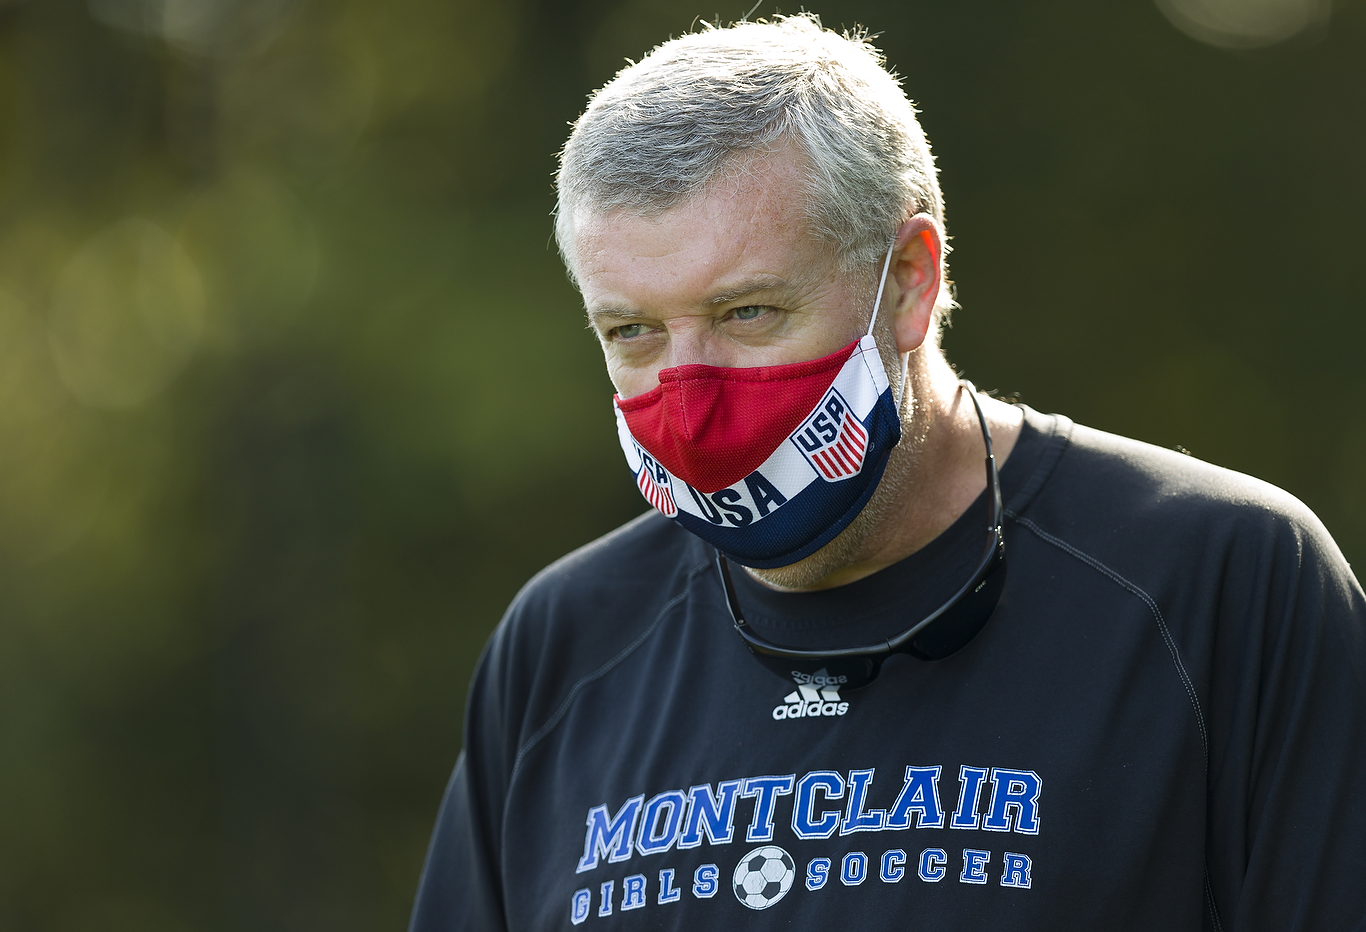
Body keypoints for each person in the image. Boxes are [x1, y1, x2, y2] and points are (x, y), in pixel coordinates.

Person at [409, 14, 1366, 931]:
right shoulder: (564, 649)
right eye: (634, 332)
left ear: (910, 278)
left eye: (749, 313)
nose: (691, 408)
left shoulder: (1221, 588)